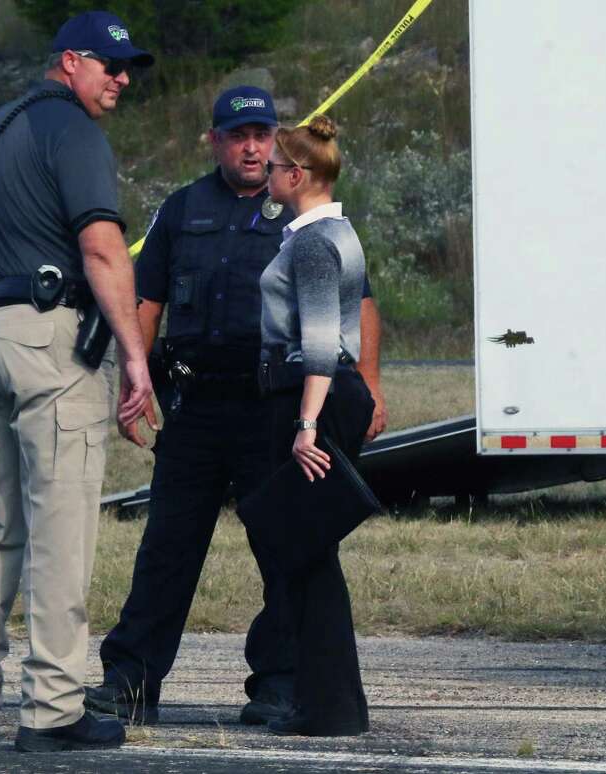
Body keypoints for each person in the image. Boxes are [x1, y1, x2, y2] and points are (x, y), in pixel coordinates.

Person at [85, 87, 387, 728]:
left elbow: (353, 304)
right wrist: (134, 379)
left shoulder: (304, 218)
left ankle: (279, 682)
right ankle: (131, 680)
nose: (251, 147)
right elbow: (147, 299)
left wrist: (368, 387)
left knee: (283, 546)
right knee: (167, 546)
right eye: (238, 135)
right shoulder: (182, 208)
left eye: (262, 135)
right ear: (215, 140)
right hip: (194, 403)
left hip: (270, 406)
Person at [0, 10, 154, 753]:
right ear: (72, 62)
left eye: (128, 69)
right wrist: (136, 356)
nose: (122, 80)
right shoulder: (75, 132)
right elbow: (103, 249)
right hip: (49, 341)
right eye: (112, 66)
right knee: (60, 529)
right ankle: (52, 708)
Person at [249, 116, 376, 736]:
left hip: (312, 394)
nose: (266, 174)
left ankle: (328, 707)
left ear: (296, 176)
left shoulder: (312, 242)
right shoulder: (332, 231)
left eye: (274, 167)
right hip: (322, 393)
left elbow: (321, 344)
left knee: (304, 552)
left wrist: (306, 423)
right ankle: (328, 702)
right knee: (304, 548)